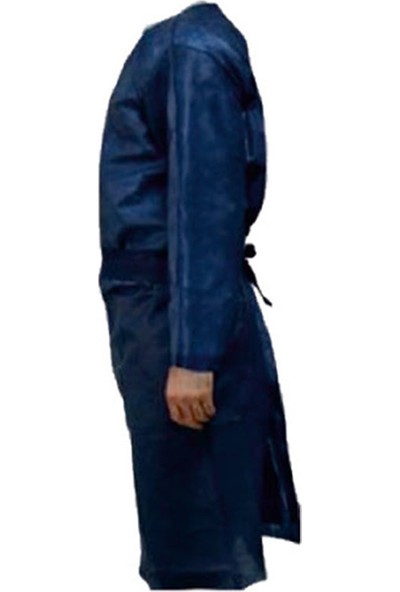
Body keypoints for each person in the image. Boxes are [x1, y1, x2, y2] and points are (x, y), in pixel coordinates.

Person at [98, 2, 301, 589]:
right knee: (190, 528)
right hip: (170, 306)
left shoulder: (190, 52)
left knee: (198, 545)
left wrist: (194, 356)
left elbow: (204, 207)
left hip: (175, 314)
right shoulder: (181, 43)